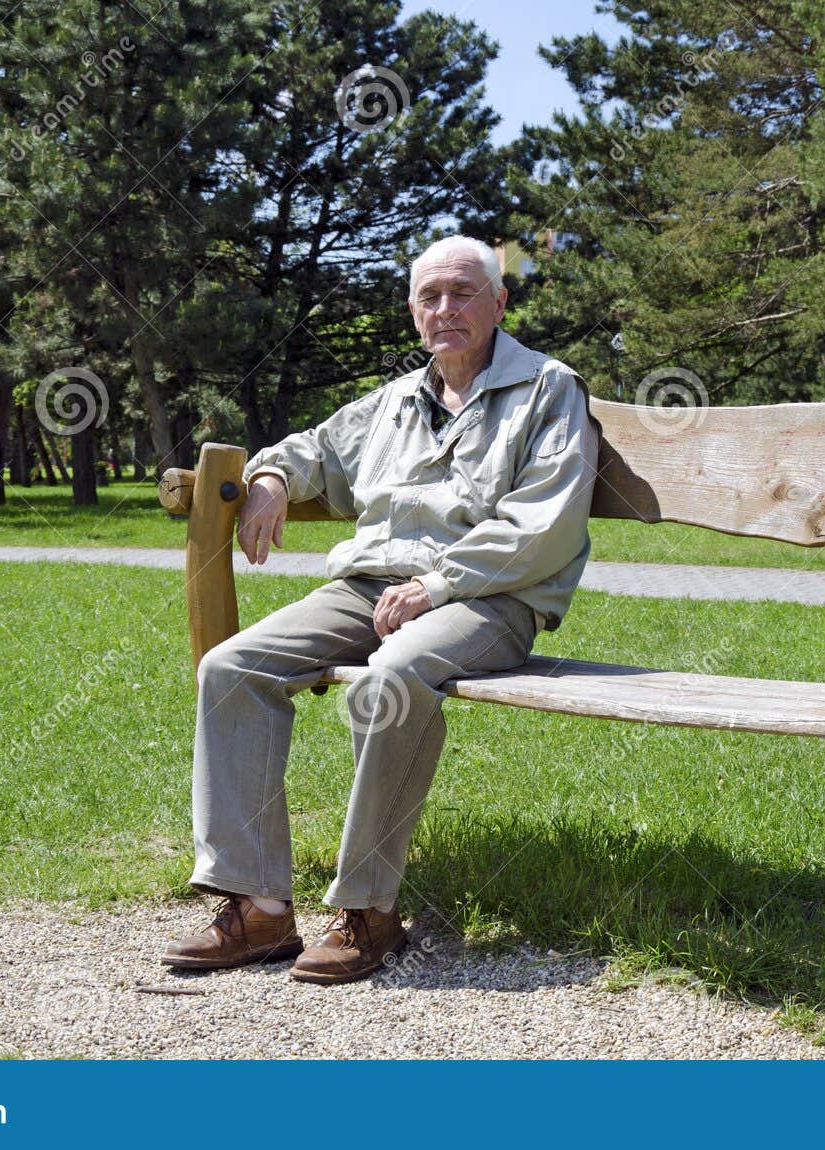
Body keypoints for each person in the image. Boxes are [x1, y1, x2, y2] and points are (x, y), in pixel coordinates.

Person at [161, 235, 599, 983]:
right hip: (370, 590)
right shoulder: (397, 399)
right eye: (430, 297)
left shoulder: (549, 389)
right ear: (412, 312)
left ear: (499, 303)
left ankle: (371, 911)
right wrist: (268, 474)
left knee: (390, 678)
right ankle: (259, 910)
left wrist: (440, 584)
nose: (446, 309)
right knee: (232, 667)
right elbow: (317, 451)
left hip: (487, 598)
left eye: (463, 293)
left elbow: (544, 525)